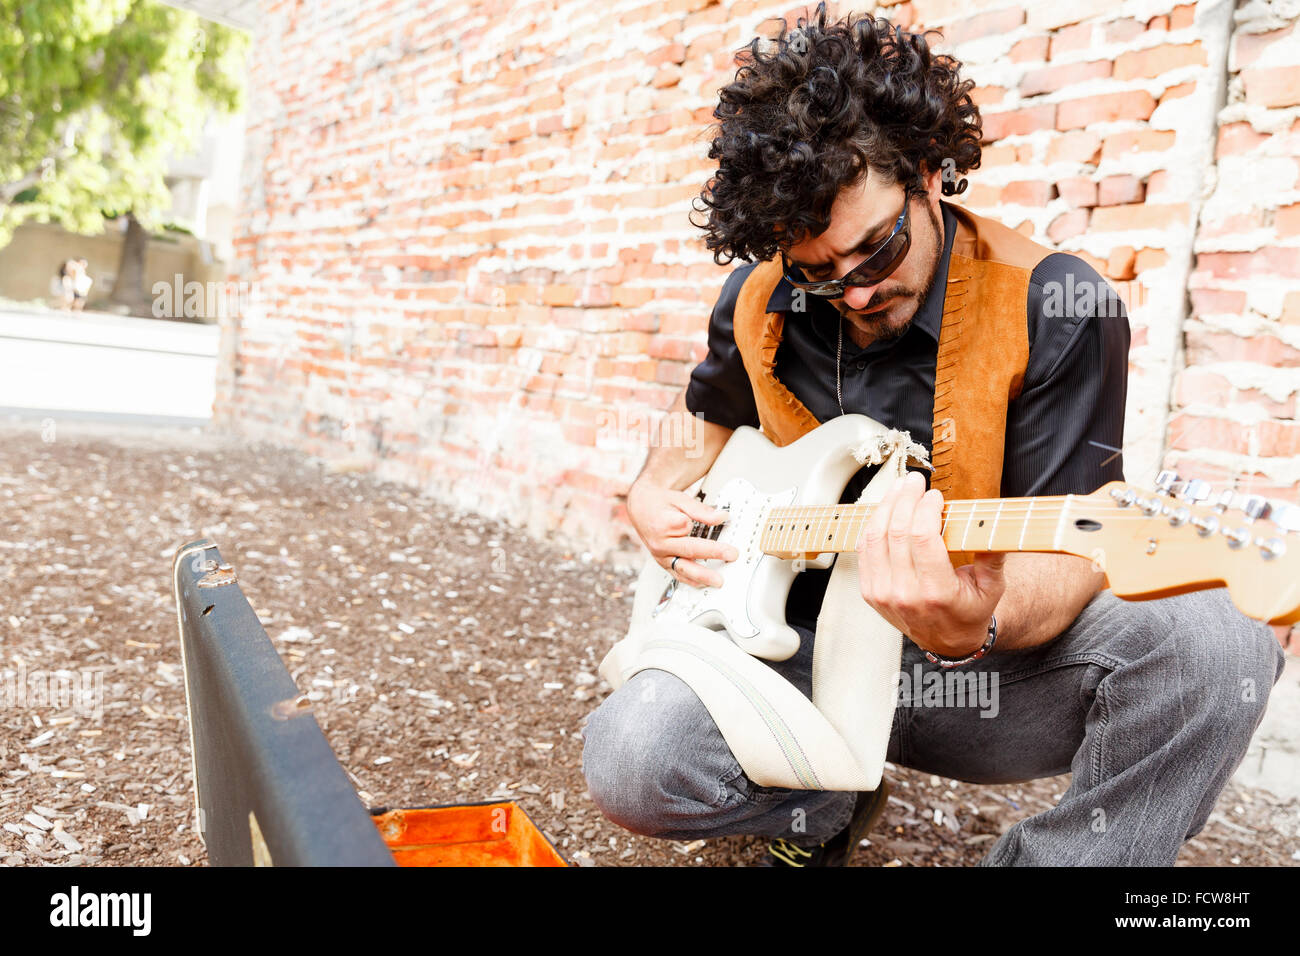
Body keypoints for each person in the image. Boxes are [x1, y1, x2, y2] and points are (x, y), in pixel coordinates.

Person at [580, 5, 1287, 866]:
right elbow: (705, 418)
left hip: (964, 675)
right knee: (630, 762)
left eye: (876, 252)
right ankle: (821, 800)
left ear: (928, 171)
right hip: (788, 647)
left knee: (1218, 641)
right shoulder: (758, 299)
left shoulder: (1059, 306)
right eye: (821, 275)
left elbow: (1068, 554)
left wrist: (969, 623)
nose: (859, 292)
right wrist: (648, 489)